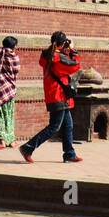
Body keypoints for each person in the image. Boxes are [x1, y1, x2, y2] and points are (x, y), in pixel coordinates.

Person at [19, 32, 82, 163]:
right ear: (63, 43)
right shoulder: (58, 58)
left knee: (68, 125)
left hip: (54, 94)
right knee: (54, 127)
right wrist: (73, 52)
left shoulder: (48, 55)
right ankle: (28, 147)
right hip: (59, 96)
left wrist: (66, 52)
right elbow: (75, 66)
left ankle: (69, 153)